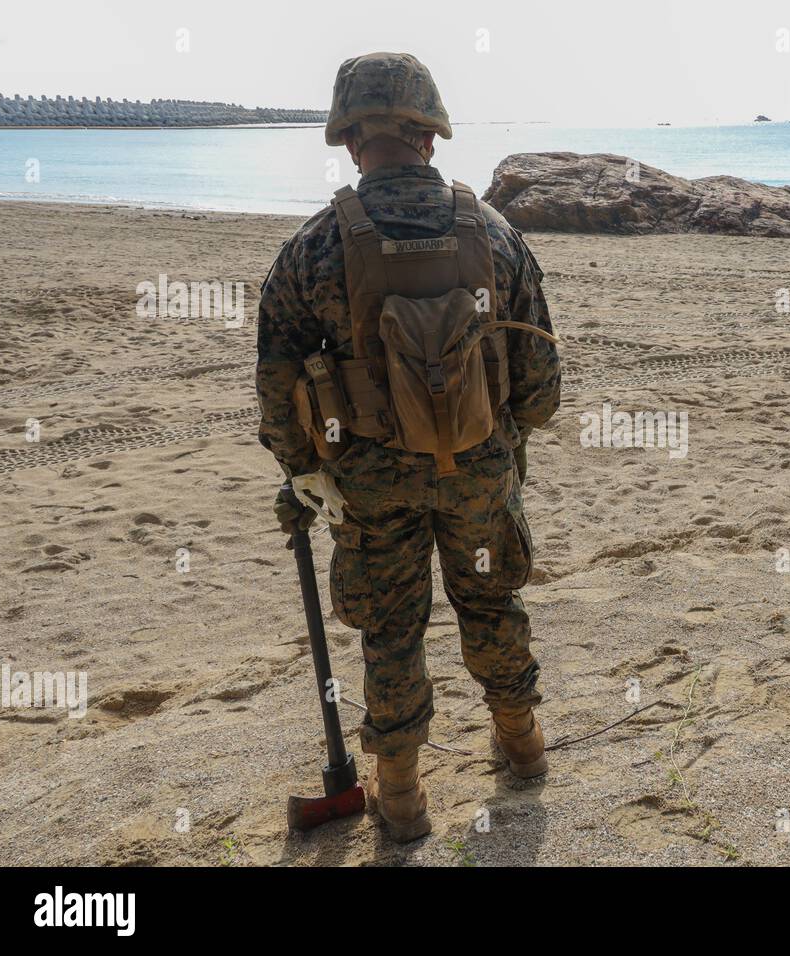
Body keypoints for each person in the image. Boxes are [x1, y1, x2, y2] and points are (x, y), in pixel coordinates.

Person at [256, 52, 561, 841]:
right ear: (430, 134)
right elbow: (539, 376)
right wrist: (509, 441)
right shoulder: (494, 232)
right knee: (490, 601)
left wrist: (302, 471)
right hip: (479, 470)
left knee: (391, 631)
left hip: (369, 479)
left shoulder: (314, 245)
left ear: (350, 138)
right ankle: (522, 745)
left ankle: (400, 798)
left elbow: (277, 380)